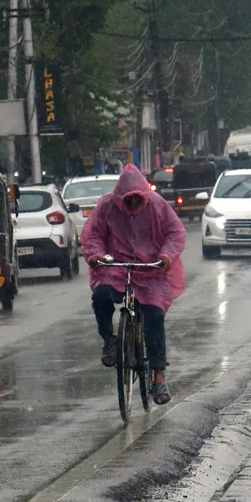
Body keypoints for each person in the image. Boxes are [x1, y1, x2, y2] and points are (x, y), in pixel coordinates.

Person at [83, 164, 187, 404]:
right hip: (116, 268)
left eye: (136, 201)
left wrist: (166, 256)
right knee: (101, 296)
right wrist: (96, 255)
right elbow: (94, 234)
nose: (132, 206)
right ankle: (109, 340)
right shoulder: (107, 207)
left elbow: (175, 232)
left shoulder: (158, 205)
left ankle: (158, 377)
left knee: (154, 316)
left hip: (150, 271)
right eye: (127, 201)